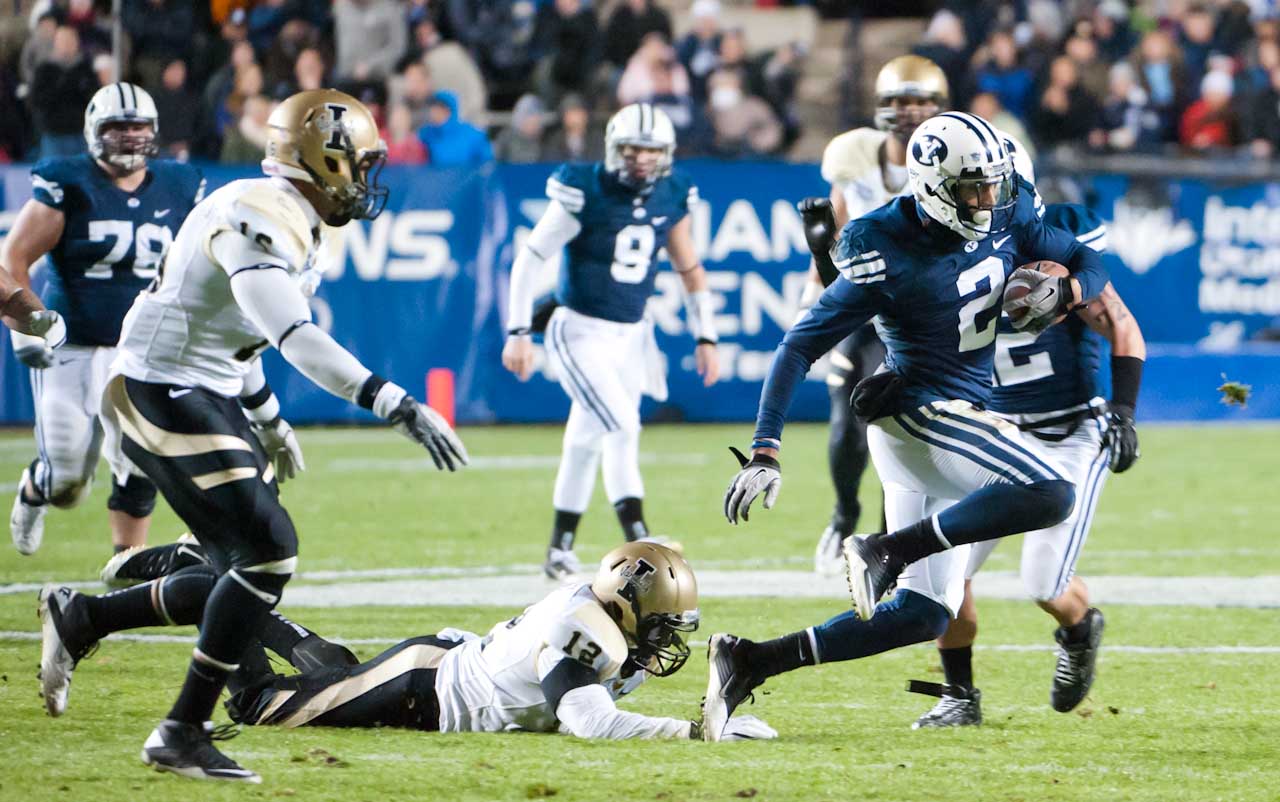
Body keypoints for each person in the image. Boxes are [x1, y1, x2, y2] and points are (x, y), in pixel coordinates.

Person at [36, 89, 468, 783]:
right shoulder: (258, 214)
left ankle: (85, 616)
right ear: (323, 161)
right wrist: (395, 402)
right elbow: (292, 335)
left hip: (200, 385)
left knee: (239, 560)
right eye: (357, 164)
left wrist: (268, 419)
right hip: (160, 387)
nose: (364, 180)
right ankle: (182, 729)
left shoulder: (294, 217)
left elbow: (239, 342)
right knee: (268, 550)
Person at [708, 111, 1110, 741]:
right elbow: (797, 347)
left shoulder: (1009, 207)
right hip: (921, 412)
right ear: (930, 185)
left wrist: (1070, 288)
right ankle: (884, 549)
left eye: (993, 184)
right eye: (972, 188)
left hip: (946, 422)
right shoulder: (879, 244)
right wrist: (766, 447)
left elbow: (1087, 258)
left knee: (919, 615)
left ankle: (749, 660)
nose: (987, 199)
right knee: (1052, 491)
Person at [43, 541, 774, 740]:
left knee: (329, 671)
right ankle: (193, 585)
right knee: (258, 705)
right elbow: (586, 722)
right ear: (624, 607)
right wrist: (690, 733)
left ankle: (201, 565)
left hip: (437, 664)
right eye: (657, 624)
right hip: (423, 689)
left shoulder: (603, 613)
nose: (661, 643)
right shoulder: (586, 630)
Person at [911, 203, 1145, 728]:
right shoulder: (943, 253)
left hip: (1068, 432)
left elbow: (1121, 324)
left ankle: (1080, 629)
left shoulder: (1053, 242)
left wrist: (1125, 413)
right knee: (942, 577)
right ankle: (959, 695)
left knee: (1043, 584)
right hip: (995, 433)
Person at [502, 104, 720, 579]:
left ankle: (559, 548)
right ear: (613, 150)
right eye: (632, 149)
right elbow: (530, 257)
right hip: (578, 330)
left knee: (584, 441)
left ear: (666, 154)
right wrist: (519, 331)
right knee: (622, 426)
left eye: (651, 150)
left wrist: (707, 333)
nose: (641, 159)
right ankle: (640, 539)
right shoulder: (587, 189)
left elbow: (689, 267)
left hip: (631, 336)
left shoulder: (672, 194)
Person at [5, 83, 205, 557]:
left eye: (138, 126)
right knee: (68, 481)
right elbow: (13, 259)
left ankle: (126, 565)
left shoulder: (180, 186)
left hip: (141, 352)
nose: (130, 136)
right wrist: (26, 324)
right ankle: (36, 488)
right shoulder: (68, 182)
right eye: (118, 127)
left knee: (139, 462)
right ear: (95, 132)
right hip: (72, 348)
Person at [807, 55, 947, 576]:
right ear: (882, 107)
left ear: (938, 106)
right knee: (847, 420)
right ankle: (844, 518)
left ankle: (893, 539)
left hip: (923, 314)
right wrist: (817, 298)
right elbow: (833, 246)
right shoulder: (853, 158)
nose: (909, 112)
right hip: (864, 309)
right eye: (899, 101)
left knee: (908, 430)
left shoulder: (948, 160)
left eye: (920, 101)